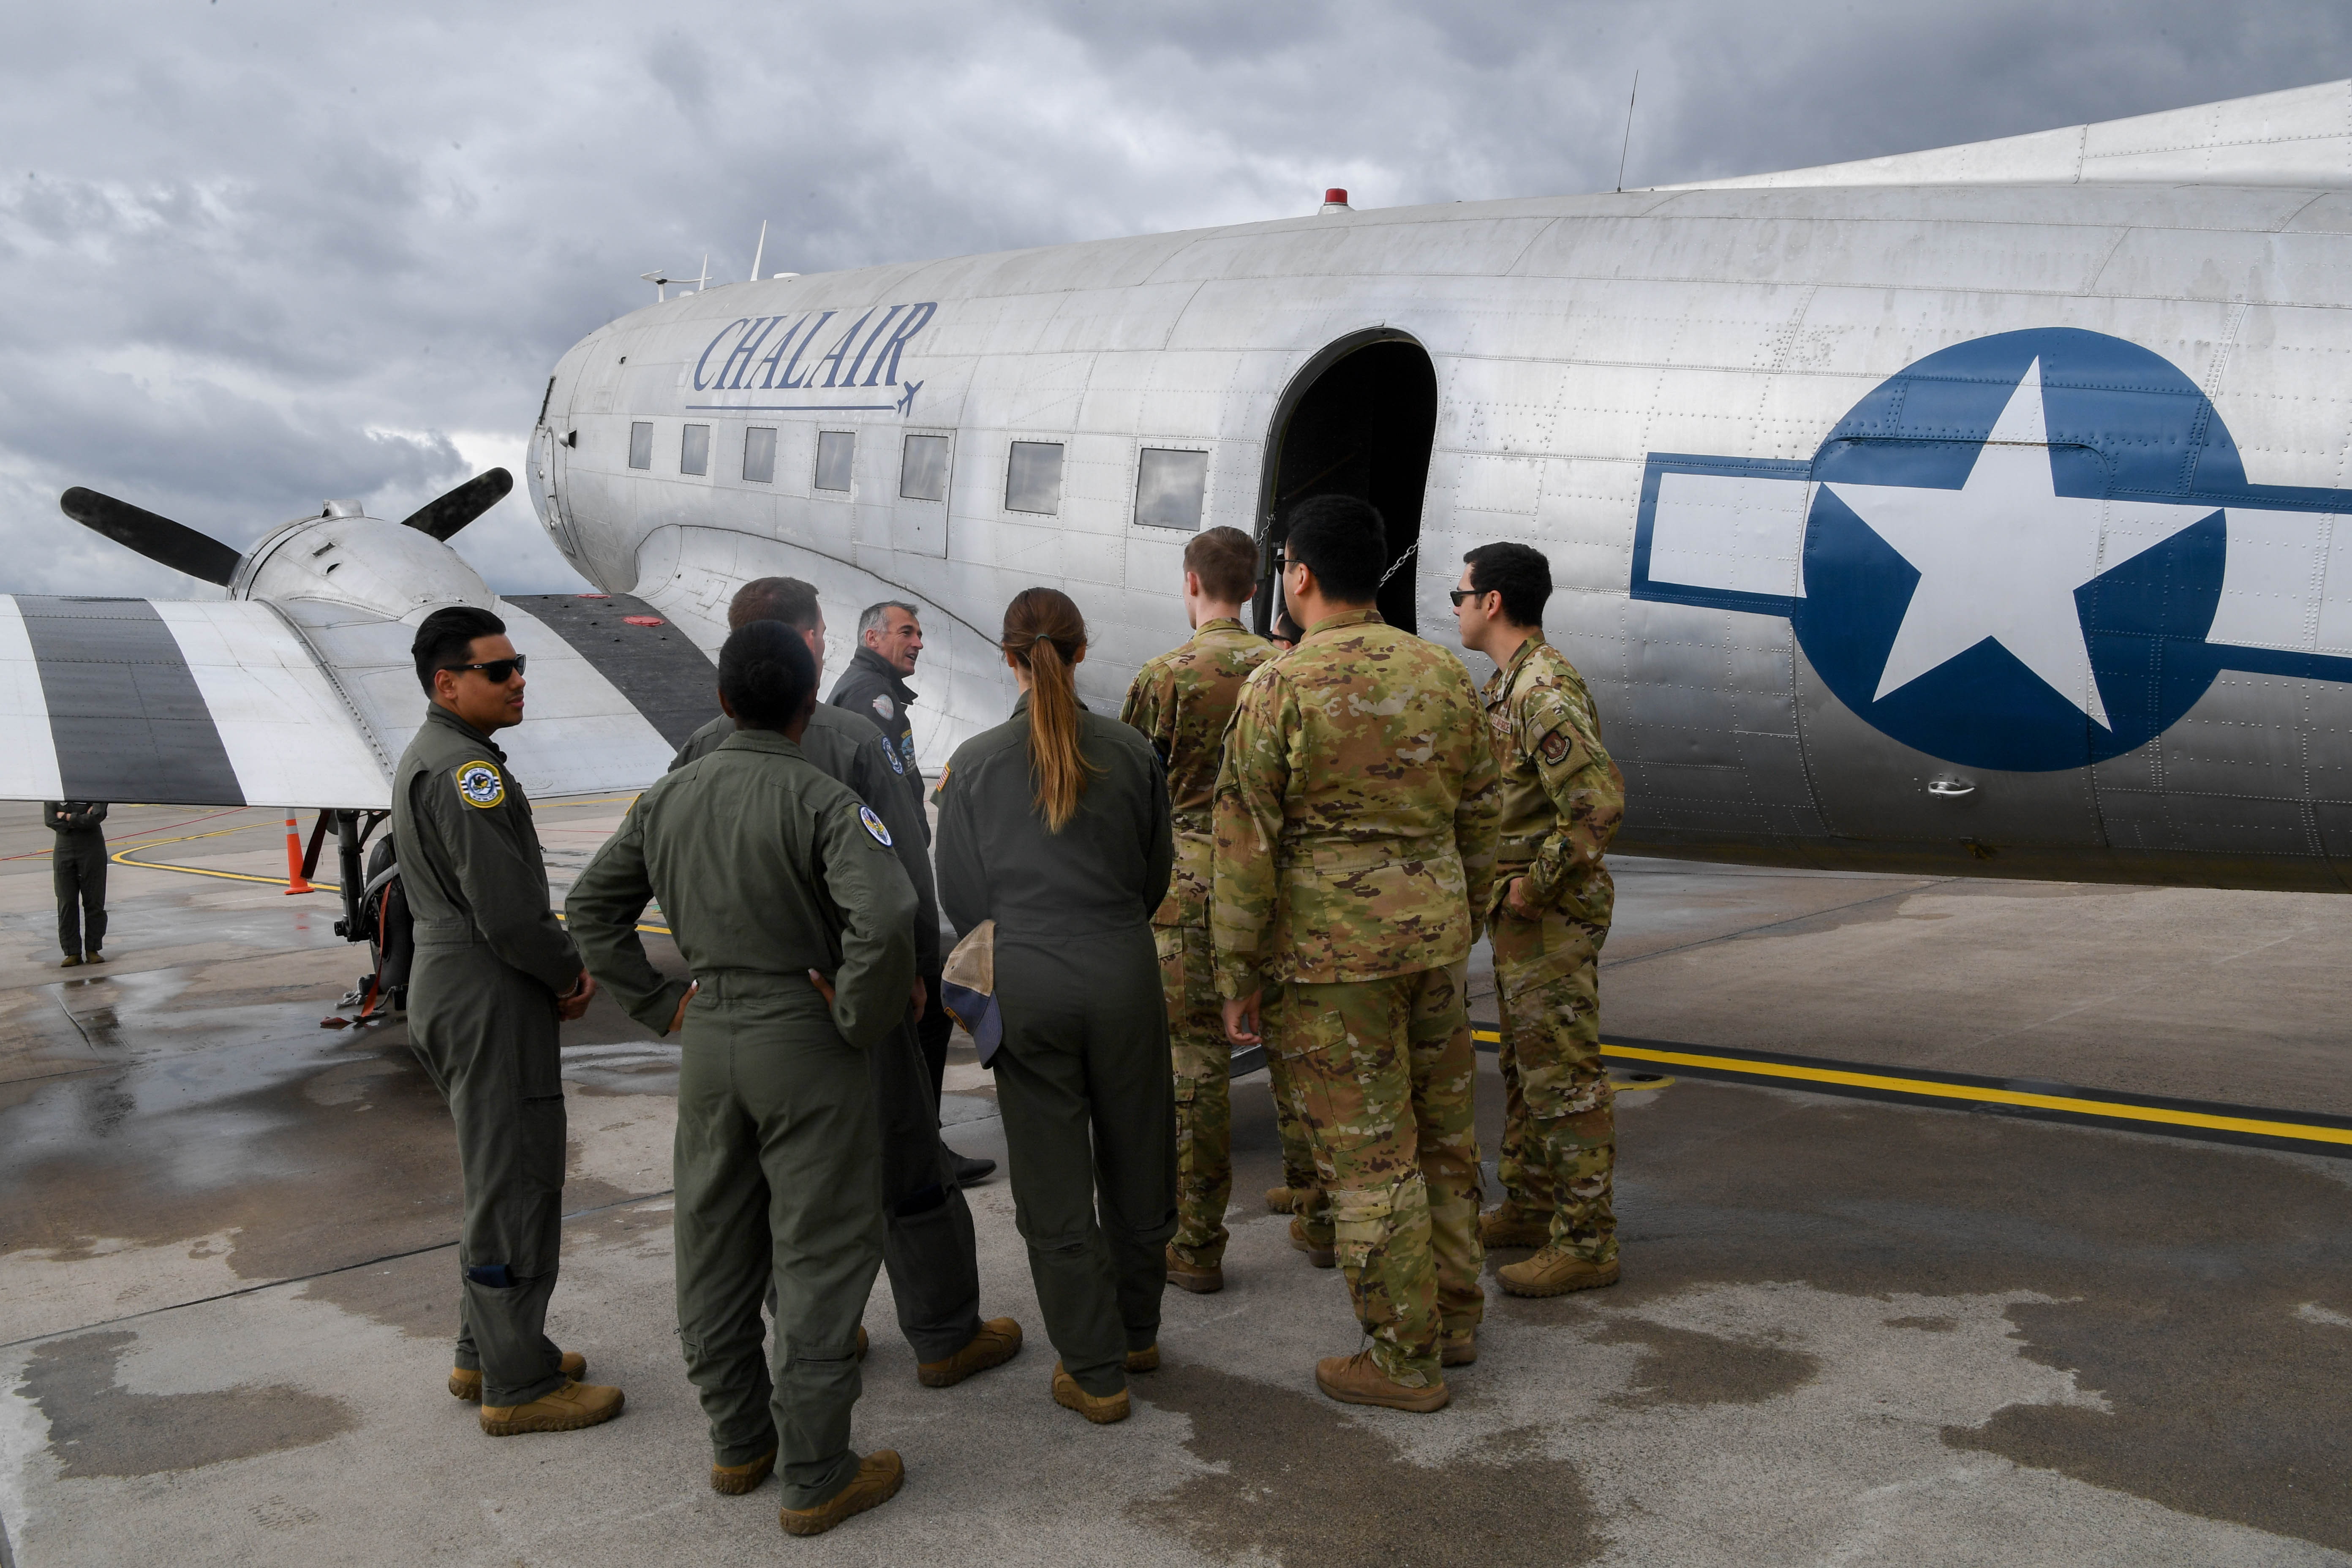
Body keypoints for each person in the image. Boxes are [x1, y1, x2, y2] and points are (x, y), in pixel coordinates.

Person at [567, 623, 918, 1537]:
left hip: (711, 1037)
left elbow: (591, 907)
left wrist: (660, 1003)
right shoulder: (826, 800)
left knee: (714, 1242)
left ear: (723, 702)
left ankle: (738, 1439)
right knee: (819, 1253)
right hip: (803, 1037)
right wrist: (858, 1013)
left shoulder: (668, 795)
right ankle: (817, 1470)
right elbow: (886, 915)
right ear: (809, 706)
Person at [670, 576, 1017, 1384]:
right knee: (908, 1162)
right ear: (806, 642)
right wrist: (918, 974)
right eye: (821, 633)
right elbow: (902, 869)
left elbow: (663, 866)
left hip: (747, 1008)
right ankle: (944, 1334)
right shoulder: (855, 739)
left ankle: (819, 1327)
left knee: (775, 1181)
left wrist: (686, 987)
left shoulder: (696, 749)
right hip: (857, 993)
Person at [1213, 495, 1499, 1414]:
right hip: (1434, 946)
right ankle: (1452, 1316)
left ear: (1298, 575)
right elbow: (1484, 817)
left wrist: (1236, 973)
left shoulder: (1282, 685)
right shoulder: (1444, 673)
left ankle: (1403, 1357)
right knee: (1445, 1138)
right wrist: (1459, 915)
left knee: (1369, 1158)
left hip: (1332, 962)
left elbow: (1244, 845)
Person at [934, 588, 1175, 1426]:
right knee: (1140, 1154)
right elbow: (1154, 876)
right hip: (1121, 969)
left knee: (1053, 1178)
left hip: (1028, 976)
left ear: (1009, 657)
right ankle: (1137, 1332)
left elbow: (961, 896)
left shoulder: (972, 763)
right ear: (1080, 653)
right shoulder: (1133, 751)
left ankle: (1095, 1370)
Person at [390, 606, 617, 1436]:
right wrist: (567, 969)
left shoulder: (440, 755)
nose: (518, 680)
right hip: (488, 986)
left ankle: (481, 1350)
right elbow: (512, 913)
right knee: (517, 1178)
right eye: (499, 670)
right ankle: (516, 1384)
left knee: (497, 1173)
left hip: (457, 979)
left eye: (519, 665)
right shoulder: (466, 773)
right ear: (447, 683)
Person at [1451, 543, 1627, 1297]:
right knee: (1526, 1069)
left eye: (1459, 596)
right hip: (1522, 915)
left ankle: (1587, 1242)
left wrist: (1533, 886)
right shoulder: (1508, 685)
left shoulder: (1541, 690)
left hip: (1548, 915)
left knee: (1563, 1076)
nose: (1455, 609)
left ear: (1491, 602)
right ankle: (1529, 1204)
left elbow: (1597, 804)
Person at [1118, 527, 1279, 1295]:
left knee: (1195, 1066)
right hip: (1275, 885)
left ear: (1191, 582)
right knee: (1301, 1054)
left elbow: (1130, 790)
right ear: (1251, 589)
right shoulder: (1283, 670)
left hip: (1187, 889)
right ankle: (1321, 1217)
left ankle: (1196, 1242)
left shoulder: (1166, 677)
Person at [829, 598, 984, 1182]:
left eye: (919, 634)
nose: (918, 642)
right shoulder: (873, 700)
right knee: (921, 1013)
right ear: (872, 638)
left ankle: (901, 1149)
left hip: (879, 875)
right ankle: (917, 1153)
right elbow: (885, 806)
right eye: (906, 632)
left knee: (911, 1019)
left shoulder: (871, 692)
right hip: (886, 877)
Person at [44, 800, 109, 967]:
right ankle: (72, 951)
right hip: (64, 848)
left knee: (94, 900)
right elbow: (50, 819)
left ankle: (93, 949)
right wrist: (81, 819)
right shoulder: (56, 791)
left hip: (92, 848)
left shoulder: (94, 789)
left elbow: (96, 817)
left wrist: (67, 817)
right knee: (66, 901)